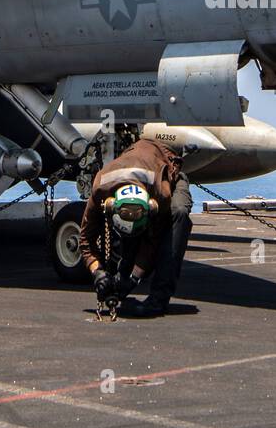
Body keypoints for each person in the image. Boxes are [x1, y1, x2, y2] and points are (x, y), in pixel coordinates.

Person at [78, 136, 193, 318]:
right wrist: (97, 271)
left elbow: (152, 241)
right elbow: (86, 239)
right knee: (129, 254)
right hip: (140, 162)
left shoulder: (161, 195)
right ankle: (121, 280)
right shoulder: (100, 188)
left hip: (167, 172)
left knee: (178, 214)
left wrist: (134, 278)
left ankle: (159, 300)